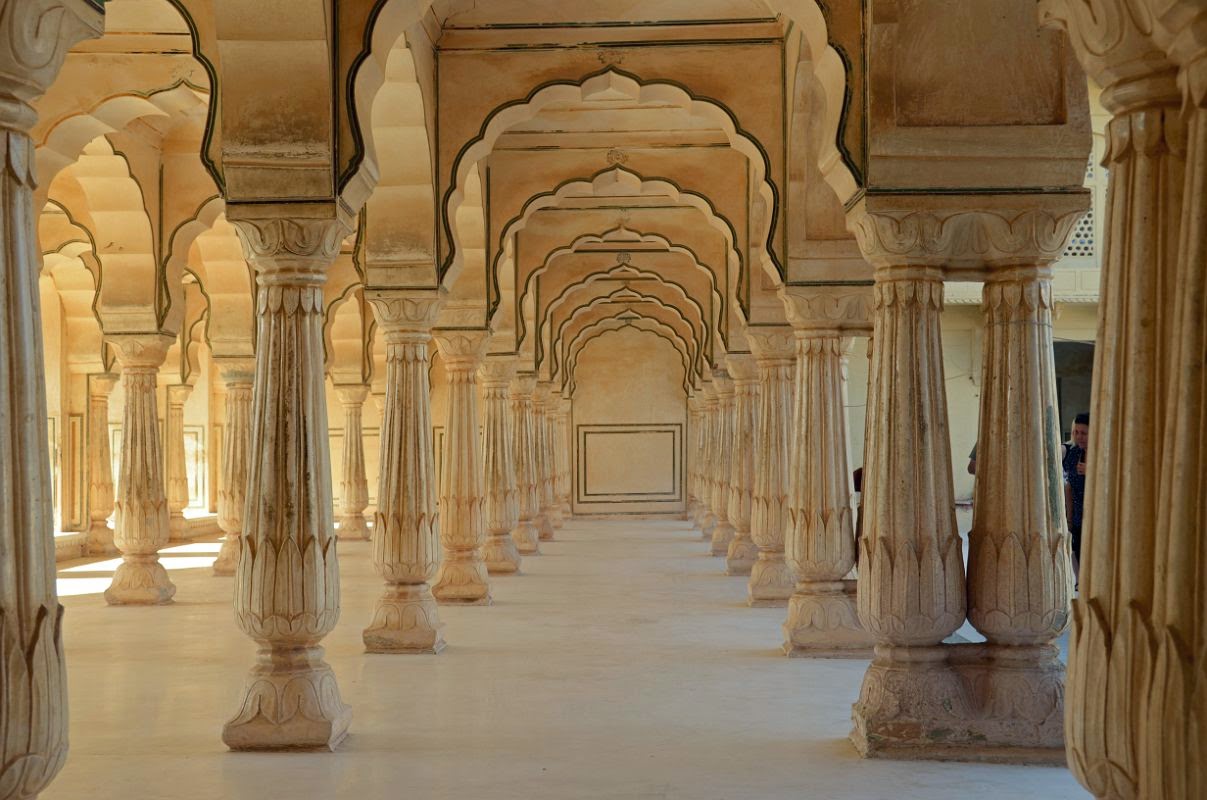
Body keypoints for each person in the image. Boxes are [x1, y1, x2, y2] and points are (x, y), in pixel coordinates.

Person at [1063, 412, 1089, 582]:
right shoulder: (1073, 453)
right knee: (1078, 553)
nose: (1079, 437)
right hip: (1079, 516)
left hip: (1101, 518)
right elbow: (1069, 487)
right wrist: (1069, 518)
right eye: (1076, 432)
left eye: (1084, 433)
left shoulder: (1106, 454)